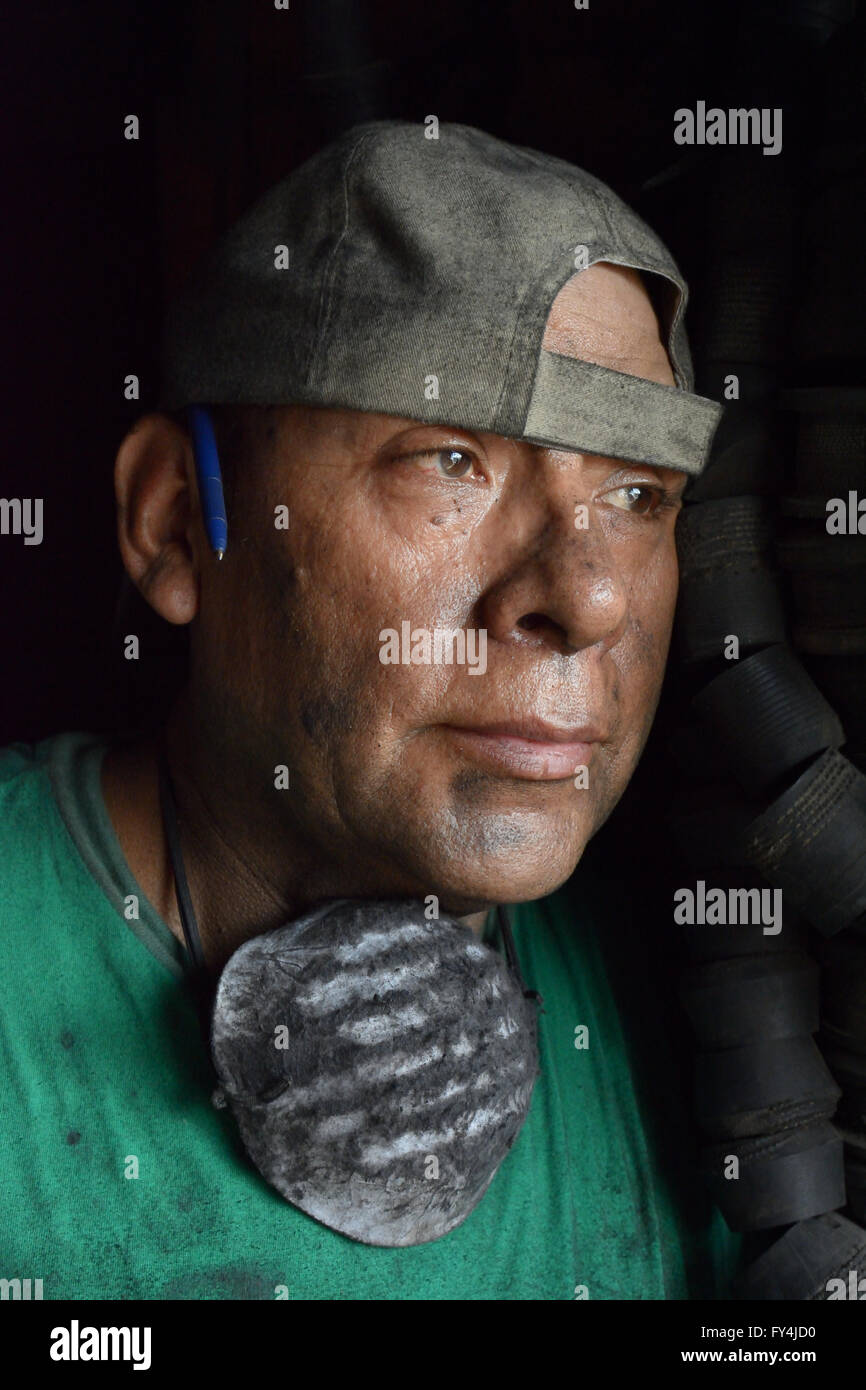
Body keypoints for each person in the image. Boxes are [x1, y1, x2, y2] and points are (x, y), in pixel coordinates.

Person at [0, 119, 742, 1299]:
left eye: (636, 493)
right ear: (177, 520)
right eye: (449, 460)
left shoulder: (698, 998)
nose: (587, 595)